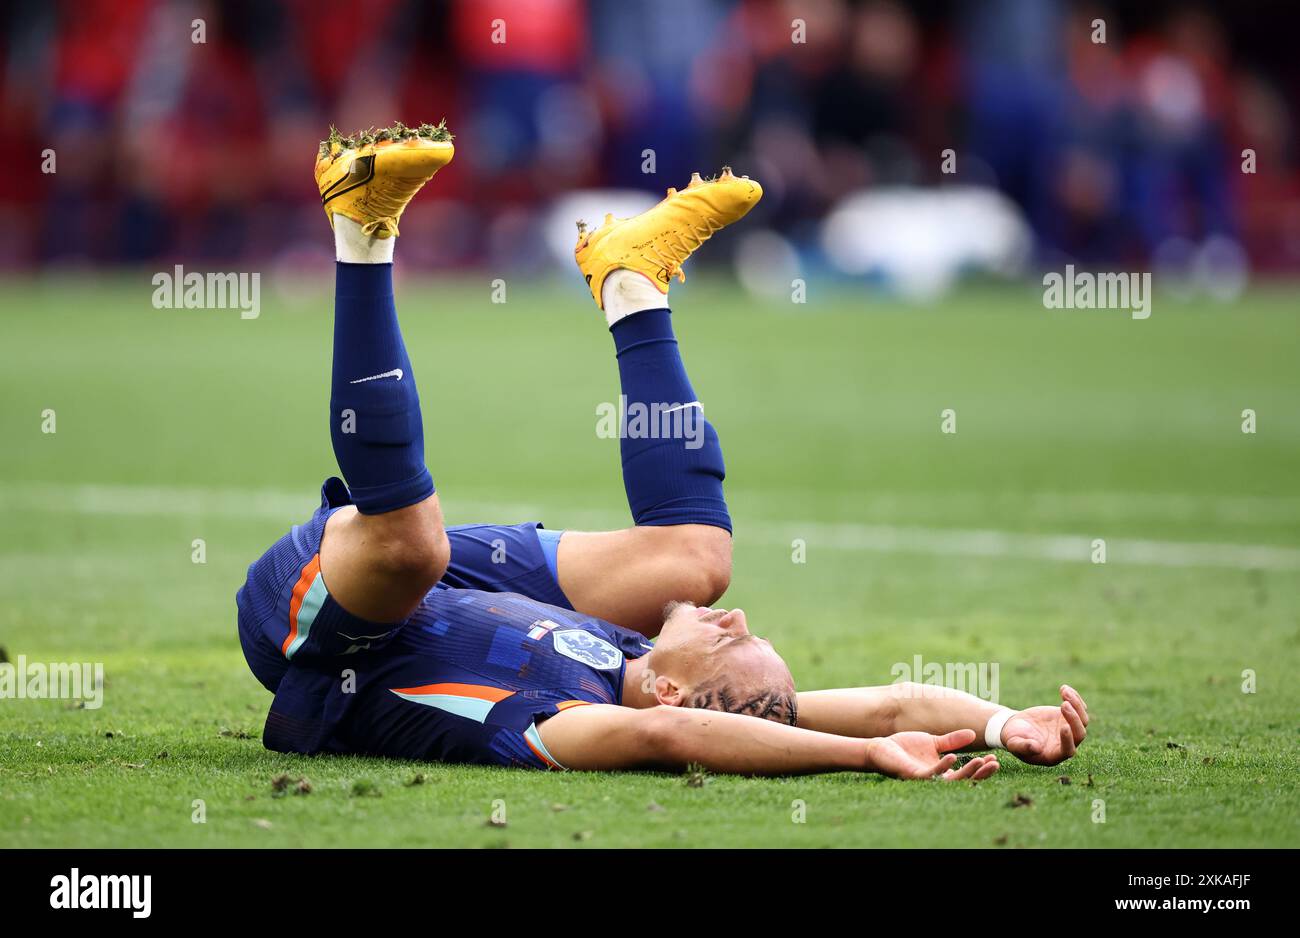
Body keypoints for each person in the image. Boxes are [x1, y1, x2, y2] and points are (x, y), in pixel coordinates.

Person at [235, 121, 1090, 779]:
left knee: (409, 545)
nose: (740, 620)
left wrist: (865, 760)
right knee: (697, 561)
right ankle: (633, 282)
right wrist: (1001, 722)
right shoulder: (632, 661)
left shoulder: (579, 719)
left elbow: (669, 734)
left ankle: (361, 224)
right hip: (453, 591)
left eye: (727, 643)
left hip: (319, 635)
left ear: (679, 691)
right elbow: (894, 701)